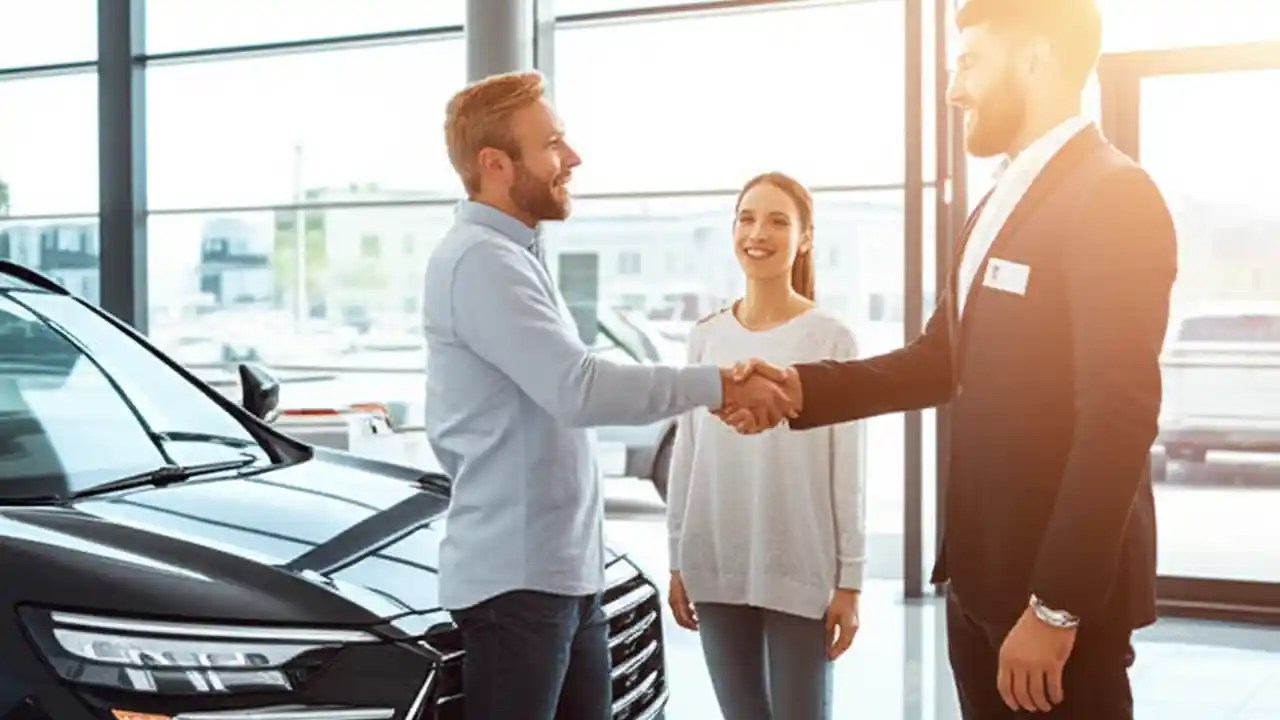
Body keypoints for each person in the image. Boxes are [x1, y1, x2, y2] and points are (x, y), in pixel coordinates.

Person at [722, 0, 1177, 717]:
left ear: (1036, 60)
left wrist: (1056, 608)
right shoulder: (997, 203)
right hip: (979, 587)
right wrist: (797, 388)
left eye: (969, 64)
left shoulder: (1113, 194)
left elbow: (1119, 418)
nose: (954, 90)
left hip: (1052, 607)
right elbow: (938, 360)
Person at [422, 70, 797, 720]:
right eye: (552, 144)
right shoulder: (480, 261)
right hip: (517, 586)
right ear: (495, 164)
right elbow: (579, 388)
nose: (572, 157)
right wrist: (717, 383)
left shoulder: (514, 254)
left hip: (561, 577)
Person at [665, 172, 867, 720]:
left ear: (805, 238)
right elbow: (687, 455)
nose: (758, 233)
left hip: (800, 566)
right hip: (716, 561)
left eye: (778, 221)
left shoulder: (831, 338)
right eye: (747, 218)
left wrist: (850, 582)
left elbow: (848, 468)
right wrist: (678, 558)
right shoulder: (706, 336)